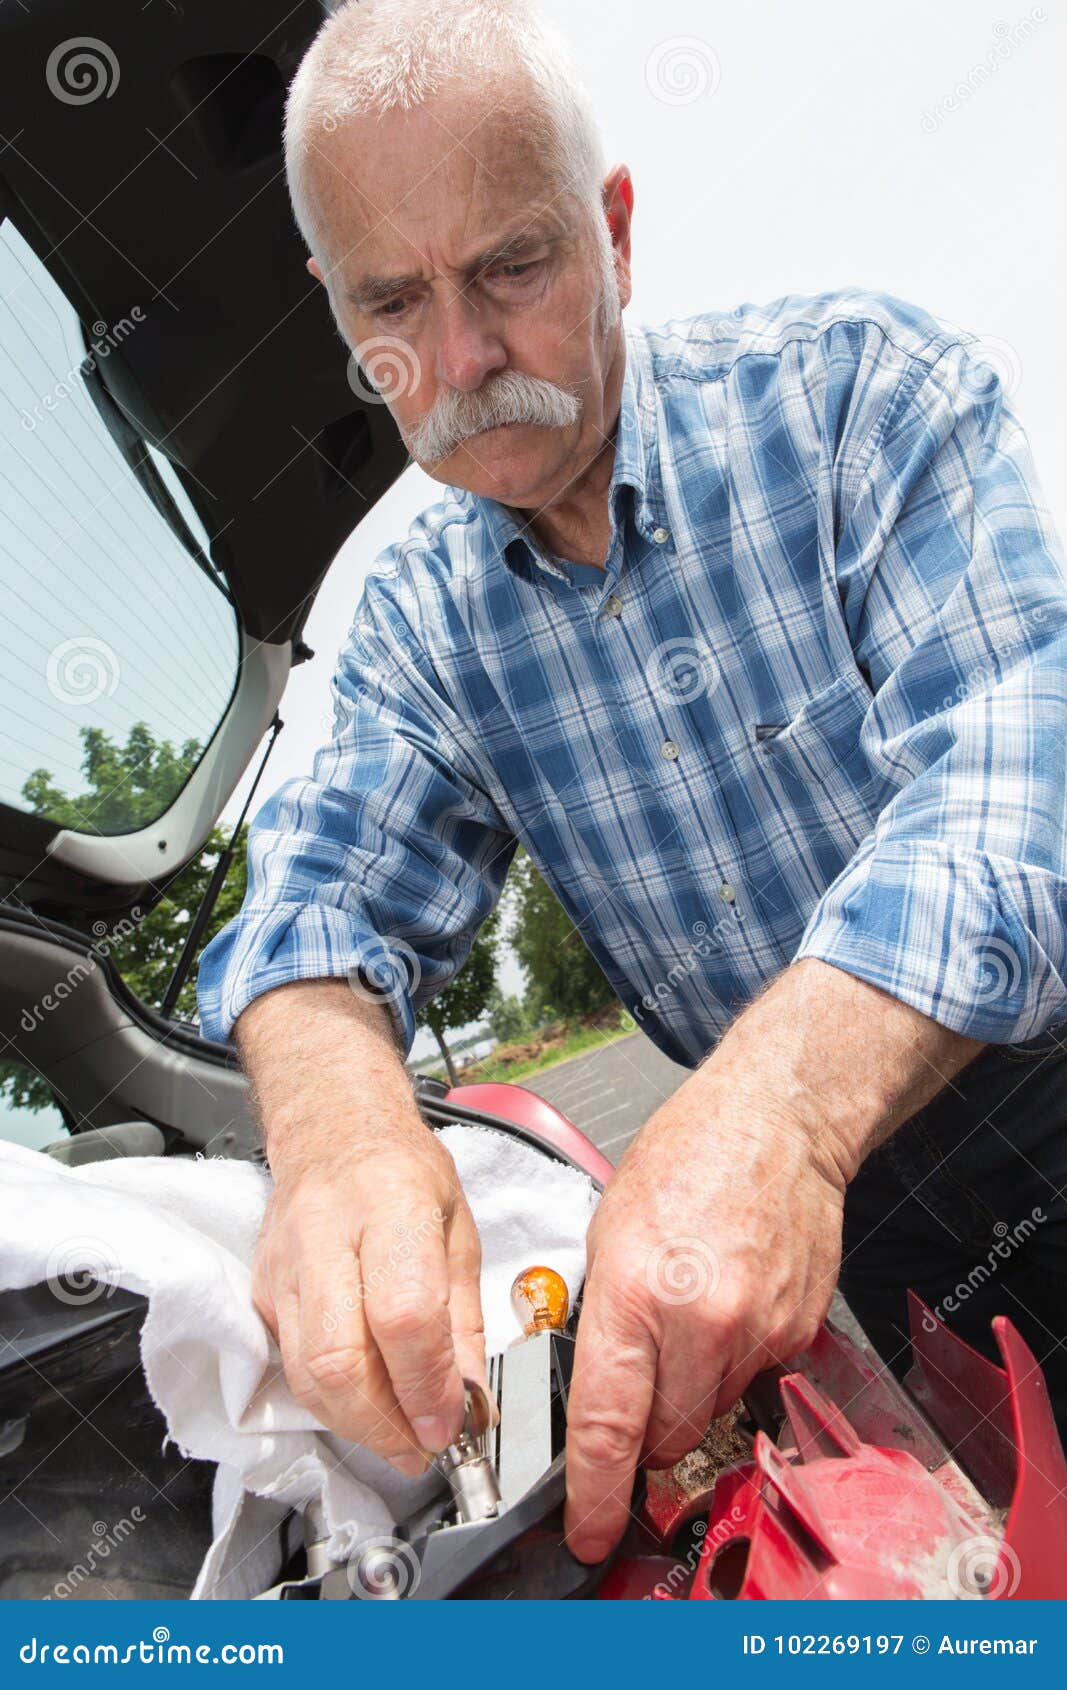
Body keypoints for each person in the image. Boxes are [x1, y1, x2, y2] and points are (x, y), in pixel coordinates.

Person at [197, 0, 1067, 1564]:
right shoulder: (417, 621)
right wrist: (340, 1131)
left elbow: (1021, 762)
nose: (461, 359)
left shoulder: (861, 395)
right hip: (854, 1229)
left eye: (512, 269)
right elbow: (314, 893)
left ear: (611, 229)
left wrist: (784, 1117)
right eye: (395, 300)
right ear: (338, 314)